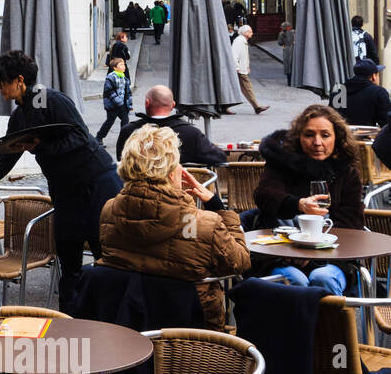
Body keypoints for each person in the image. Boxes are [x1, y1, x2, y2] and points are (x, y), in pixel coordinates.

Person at [0, 50, 122, 304]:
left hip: (96, 182)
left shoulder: (45, 98)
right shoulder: (20, 115)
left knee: (103, 253)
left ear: (19, 80)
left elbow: (79, 138)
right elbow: (5, 160)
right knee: (68, 255)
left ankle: (112, 318)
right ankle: (71, 318)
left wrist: (40, 147)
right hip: (65, 191)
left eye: (0, 81)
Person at [99, 125, 250, 330]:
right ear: (171, 173)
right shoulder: (198, 223)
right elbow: (240, 262)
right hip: (191, 335)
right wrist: (218, 208)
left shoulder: (110, 211)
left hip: (130, 326)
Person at [254, 104, 363, 293]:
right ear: (299, 137)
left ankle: (330, 324)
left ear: (337, 138)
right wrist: (297, 204)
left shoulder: (347, 172)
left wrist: (313, 251)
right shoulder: (281, 164)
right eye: (309, 135)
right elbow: (264, 196)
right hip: (282, 253)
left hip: (333, 256)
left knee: (323, 278)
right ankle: (299, 323)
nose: (317, 142)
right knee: (295, 281)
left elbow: (351, 224)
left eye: (325, 135)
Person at [115, 85, 227, 166]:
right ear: (173, 105)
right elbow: (219, 158)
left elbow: (122, 160)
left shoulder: (129, 131)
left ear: (147, 103)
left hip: (139, 194)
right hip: (181, 192)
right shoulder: (191, 134)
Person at [331, 58, 391, 128]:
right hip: (367, 137)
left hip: (342, 137)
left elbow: (331, 119)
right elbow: (387, 124)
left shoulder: (337, 92)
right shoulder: (379, 92)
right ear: (374, 76)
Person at [231, 25, 269, 114]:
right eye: (250, 31)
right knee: (247, 88)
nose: (252, 33)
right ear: (245, 33)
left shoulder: (242, 41)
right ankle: (257, 107)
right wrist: (236, 67)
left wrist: (247, 67)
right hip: (240, 70)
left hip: (242, 69)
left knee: (244, 88)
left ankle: (223, 107)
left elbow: (244, 57)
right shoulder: (239, 41)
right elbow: (234, 55)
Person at [95, 56, 132, 143]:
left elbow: (128, 93)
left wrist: (129, 105)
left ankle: (124, 139)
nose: (124, 66)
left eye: (124, 65)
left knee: (125, 121)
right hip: (113, 105)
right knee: (110, 121)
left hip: (122, 105)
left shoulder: (124, 78)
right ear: (115, 68)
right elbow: (109, 91)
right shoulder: (110, 78)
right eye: (121, 65)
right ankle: (99, 137)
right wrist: (118, 101)